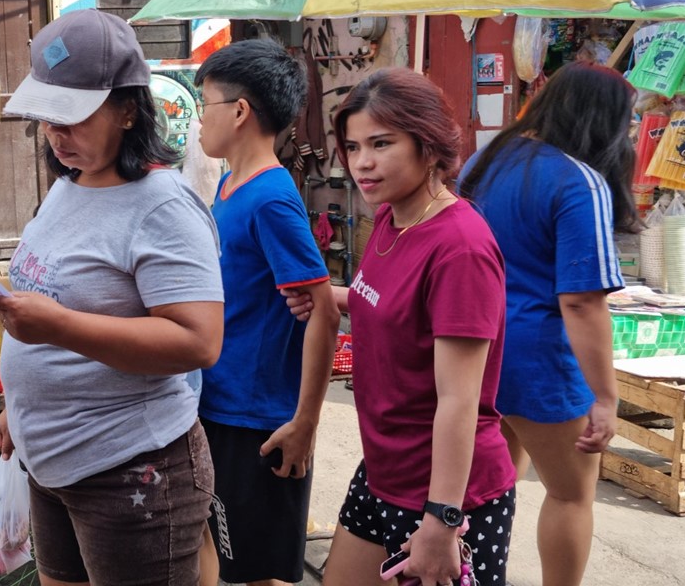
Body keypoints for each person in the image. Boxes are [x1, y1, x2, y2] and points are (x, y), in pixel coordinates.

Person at [0, 9, 224, 586]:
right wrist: (21, 406)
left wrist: (58, 327)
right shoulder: (69, 186)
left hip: (130, 469)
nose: (56, 134)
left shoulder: (162, 206)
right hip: (51, 462)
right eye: (47, 118)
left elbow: (198, 341)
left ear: (128, 110)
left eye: (73, 118)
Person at [292, 68, 517, 586]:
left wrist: (442, 520)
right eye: (351, 146)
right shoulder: (393, 219)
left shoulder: (460, 246)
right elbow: (390, 303)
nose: (361, 163)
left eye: (381, 143)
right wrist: (329, 295)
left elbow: (460, 400)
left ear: (428, 144)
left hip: (445, 493)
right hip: (382, 471)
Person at [457, 62, 632, 586]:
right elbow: (582, 303)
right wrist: (606, 395)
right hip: (538, 362)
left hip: (477, 349)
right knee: (571, 494)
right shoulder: (579, 181)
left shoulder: (486, 160)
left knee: (489, 488)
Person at [191, 39, 339, 586]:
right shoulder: (231, 185)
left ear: (239, 111)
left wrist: (304, 423)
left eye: (204, 102)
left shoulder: (271, 196)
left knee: (258, 571)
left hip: (259, 419)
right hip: (221, 402)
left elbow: (322, 311)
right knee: (216, 548)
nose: (199, 118)